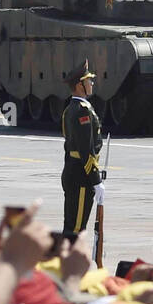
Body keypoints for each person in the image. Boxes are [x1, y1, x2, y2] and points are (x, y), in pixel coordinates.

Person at [60, 60, 104, 235]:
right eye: (88, 81)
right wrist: (96, 180)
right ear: (80, 85)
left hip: (73, 171)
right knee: (76, 230)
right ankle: (67, 262)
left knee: (72, 226)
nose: (91, 83)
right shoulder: (81, 111)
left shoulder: (71, 108)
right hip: (81, 177)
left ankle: (65, 261)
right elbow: (86, 149)